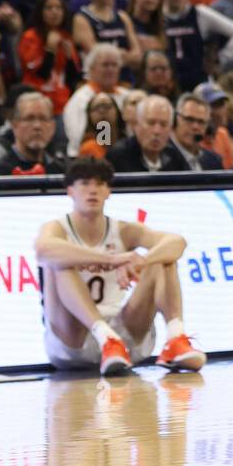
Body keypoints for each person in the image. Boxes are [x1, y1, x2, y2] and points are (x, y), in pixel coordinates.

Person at [35, 156, 205, 376]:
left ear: (109, 192)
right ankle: (104, 336)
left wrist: (142, 259)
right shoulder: (56, 228)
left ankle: (175, 337)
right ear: (70, 191)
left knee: (163, 258)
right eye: (85, 183)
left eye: (100, 184)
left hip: (123, 336)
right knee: (59, 262)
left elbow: (177, 242)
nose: (93, 190)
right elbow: (42, 250)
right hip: (73, 337)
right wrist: (112, 259)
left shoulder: (123, 229)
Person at [161, 0, 233, 92]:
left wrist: (221, 58)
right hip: (167, 83)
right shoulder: (158, 16)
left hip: (198, 82)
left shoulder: (200, 13)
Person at [17, 0, 80, 116]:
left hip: (62, 102)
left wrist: (69, 57)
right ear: (41, 12)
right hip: (36, 100)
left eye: (59, 8)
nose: (54, 12)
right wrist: (50, 50)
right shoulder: (30, 37)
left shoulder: (66, 37)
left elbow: (73, 77)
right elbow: (41, 74)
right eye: (49, 8)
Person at [63, 44, 132, 158]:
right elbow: (77, 137)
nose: (110, 69)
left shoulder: (127, 96)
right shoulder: (80, 99)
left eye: (114, 65)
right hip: (87, 158)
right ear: (91, 69)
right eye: (105, 65)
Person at [0, 90, 65, 176]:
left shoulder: (61, 172)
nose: (37, 126)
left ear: (53, 126)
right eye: (29, 118)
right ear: (14, 125)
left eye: (43, 118)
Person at [109, 95, 189, 173]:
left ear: (171, 130)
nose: (157, 131)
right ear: (137, 125)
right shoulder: (118, 156)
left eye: (163, 124)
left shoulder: (174, 156)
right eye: (151, 123)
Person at [168, 92, 223, 171]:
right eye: (189, 119)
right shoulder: (161, 158)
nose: (195, 127)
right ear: (175, 120)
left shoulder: (213, 161)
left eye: (201, 122)